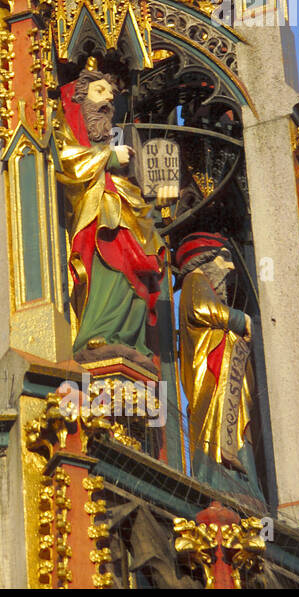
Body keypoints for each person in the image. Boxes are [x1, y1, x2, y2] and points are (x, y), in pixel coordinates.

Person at [52, 65, 166, 360]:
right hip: (97, 210)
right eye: (99, 91)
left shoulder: (107, 133)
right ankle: (98, 334)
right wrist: (108, 157)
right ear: (80, 95)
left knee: (141, 270)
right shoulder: (65, 122)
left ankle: (130, 339)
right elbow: (65, 159)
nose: (107, 101)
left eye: (111, 96)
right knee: (111, 267)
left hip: (120, 202)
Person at [175, 232, 257, 481]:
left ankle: (240, 477)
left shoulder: (203, 284)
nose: (231, 267)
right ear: (205, 260)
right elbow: (202, 309)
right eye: (225, 259)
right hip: (212, 371)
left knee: (237, 418)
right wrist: (241, 319)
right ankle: (219, 475)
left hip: (222, 368)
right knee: (216, 419)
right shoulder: (195, 281)